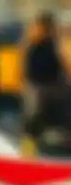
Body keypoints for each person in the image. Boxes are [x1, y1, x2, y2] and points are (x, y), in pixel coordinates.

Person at [24, 12, 69, 150]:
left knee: (46, 117)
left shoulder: (54, 45)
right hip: (36, 86)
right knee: (32, 118)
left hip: (51, 86)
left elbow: (64, 65)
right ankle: (30, 144)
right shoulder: (32, 46)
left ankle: (45, 143)